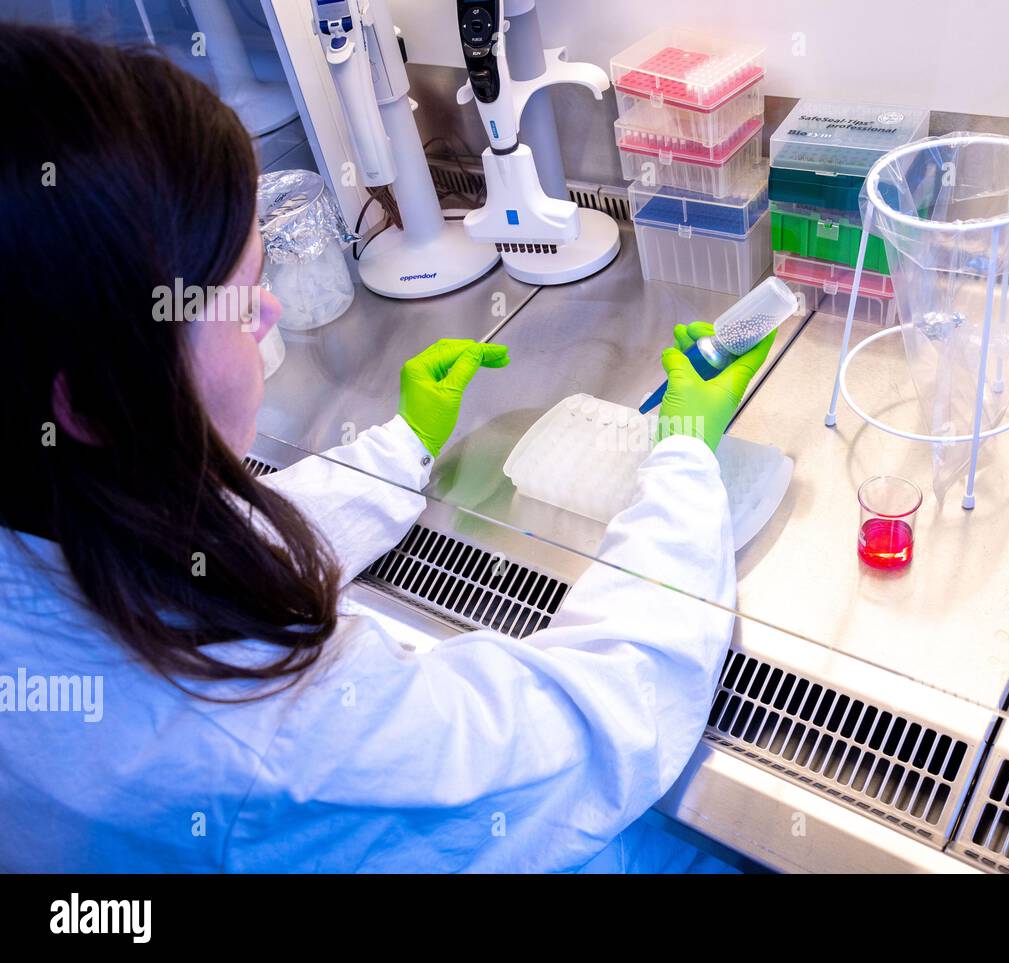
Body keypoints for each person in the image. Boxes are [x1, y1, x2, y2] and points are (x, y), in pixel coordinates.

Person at [0, 25, 775, 873]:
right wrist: (687, 455)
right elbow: (593, 728)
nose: (267, 314)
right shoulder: (270, 726)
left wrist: (397, 447)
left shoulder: (44, 516)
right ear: (99, 403)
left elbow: (195, 564)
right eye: (240, 293)